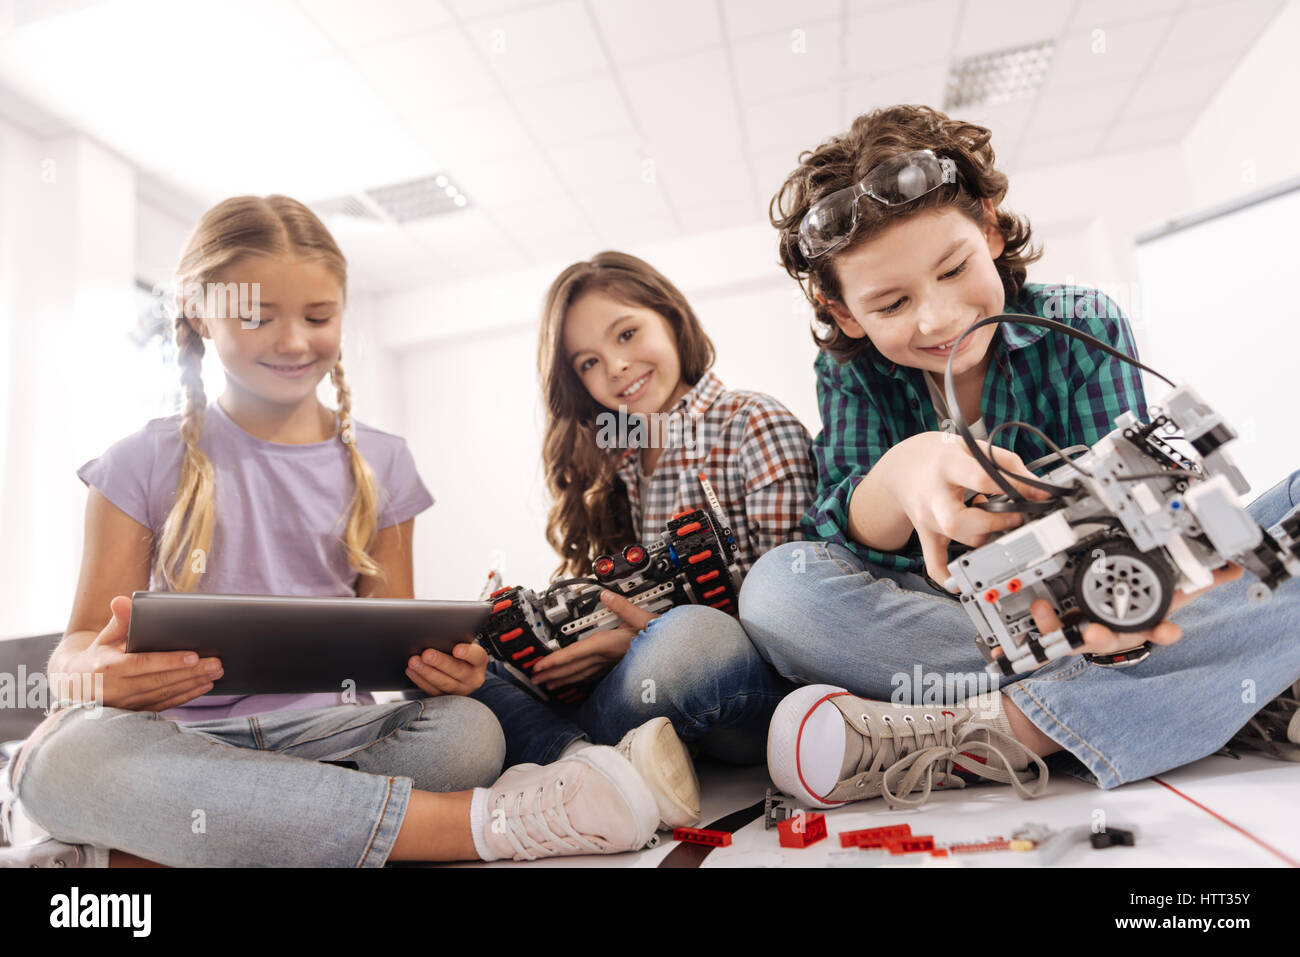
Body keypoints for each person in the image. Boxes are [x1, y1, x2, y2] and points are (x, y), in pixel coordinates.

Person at [1, 197, 666, 867]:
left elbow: (391, 642)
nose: (294, 341)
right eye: (258, 317)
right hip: (170, 738)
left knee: (469, 734)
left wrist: (441, 671)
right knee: (65, 759)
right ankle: (483, 826)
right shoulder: (137, 461)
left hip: (326, 732)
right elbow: (74, 652)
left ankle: (137, 848)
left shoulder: (382, 463)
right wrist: (99, 675)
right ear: (200, 312)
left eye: (318, 316)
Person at [738, 105, 1297, 810]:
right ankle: (1234, 680)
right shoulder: (852, 371)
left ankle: (1006, 729)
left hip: (1109, 595)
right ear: (844, 312)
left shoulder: (1085, 322)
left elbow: (1141, 514)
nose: (937, 318)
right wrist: (902, 471)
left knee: (1243, 554)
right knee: (777, 595)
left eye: (953, 269)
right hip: (962, 622)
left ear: (992, 229)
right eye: (890, 303)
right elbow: (841, 534)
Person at [472, 251, 817, 829]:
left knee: (689, 639)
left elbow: (791, 614)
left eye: (627, 334)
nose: (616, 367)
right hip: (651, 688)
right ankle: (588, 758)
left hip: (747, 689)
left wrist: (633, 644)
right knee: (473, 665)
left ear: (671, 319)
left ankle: (566, 753)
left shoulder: (751, 421)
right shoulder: (618, 468)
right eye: (588, 362)